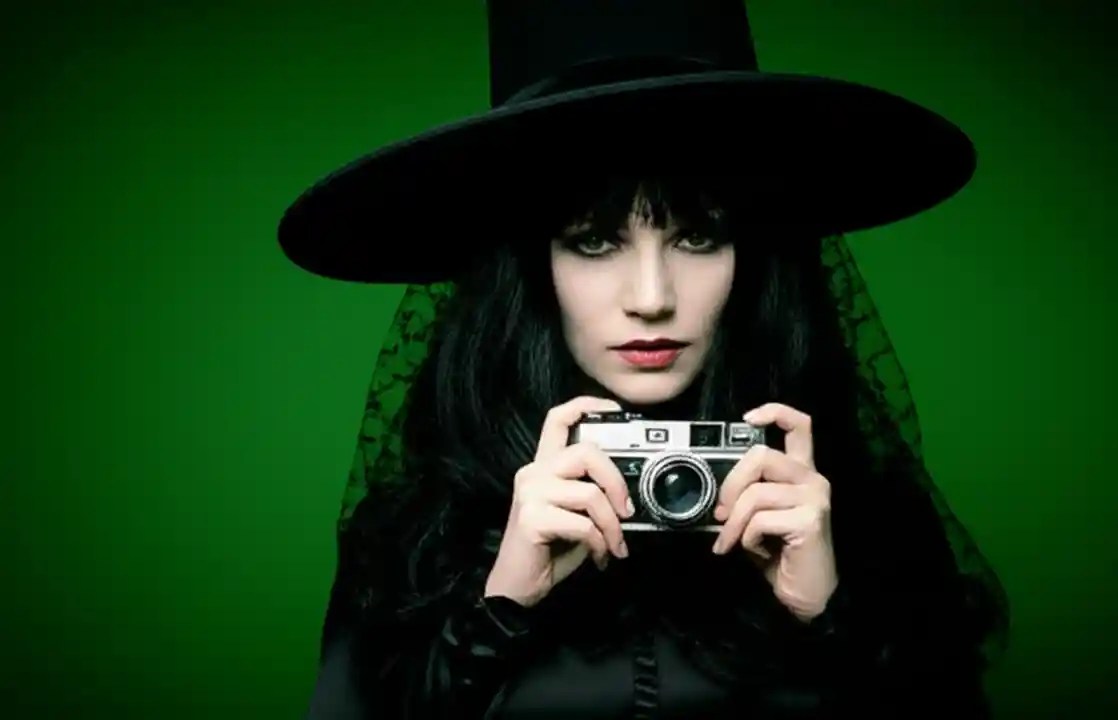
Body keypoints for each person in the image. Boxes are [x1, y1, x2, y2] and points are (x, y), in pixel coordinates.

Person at [278, 2, 1009, 719]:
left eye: (698, 238)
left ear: (753, 262)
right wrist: (494, 612)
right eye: (594, 241)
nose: (652, 299)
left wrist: (831, 617)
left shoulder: (872, 522)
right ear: (534, 272)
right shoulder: (413, 539)